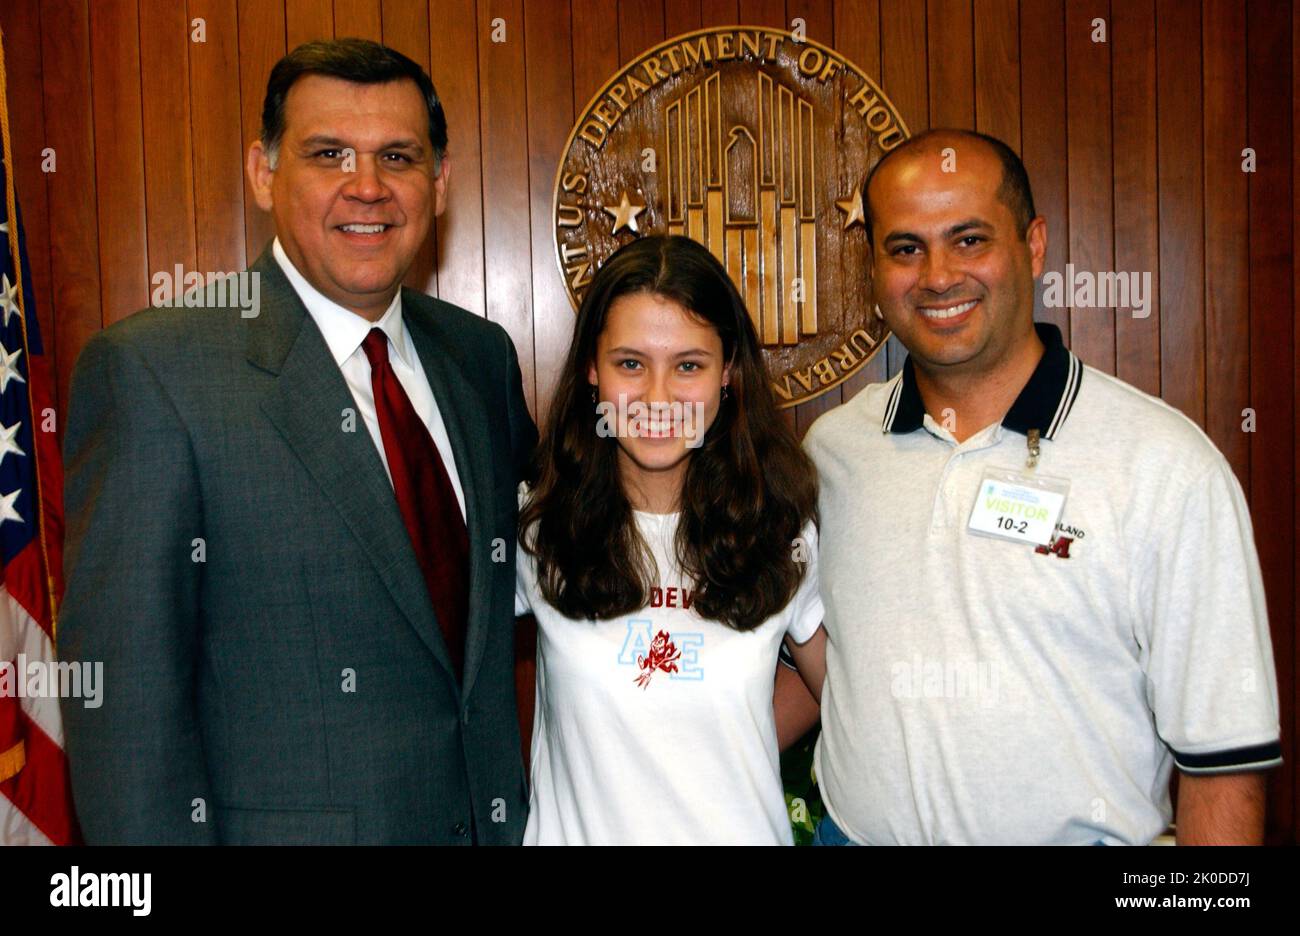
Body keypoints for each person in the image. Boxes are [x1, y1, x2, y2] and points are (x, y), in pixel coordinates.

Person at [58, 39, 536, 844]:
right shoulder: (155, 374)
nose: (368, 186)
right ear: (262, 172)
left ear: (440, 181)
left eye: (398, 156)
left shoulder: (480, 360)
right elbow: (125, 718)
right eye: (329, 154)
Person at [798, 128, 1281, 845]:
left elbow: (1224, 767)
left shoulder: (1166, 467)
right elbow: (805, 656)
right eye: (905, 248)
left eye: (969, 240)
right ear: (871, 267)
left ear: (1032, 245)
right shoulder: (832, 454)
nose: (937, 276)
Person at [516, 235, 825, 844]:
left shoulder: (782, 533)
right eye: (630, 363)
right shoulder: (536, 528)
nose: (658, 399)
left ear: (728, 372)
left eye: (689, 365)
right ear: (590, 369)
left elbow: (846, 696)